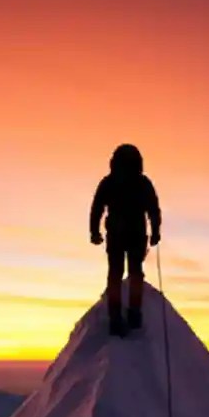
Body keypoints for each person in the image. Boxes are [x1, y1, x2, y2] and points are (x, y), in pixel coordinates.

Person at [89, 143, 161, 337]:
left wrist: (94, 232)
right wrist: (155, 232)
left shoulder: (109, 182)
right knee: (135, 272)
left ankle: (115, 318)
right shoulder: (142, 182)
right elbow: (153, 209)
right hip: (136, 234)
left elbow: (97, 208)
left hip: (116, 235)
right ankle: (134, 314)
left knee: (115, 274)